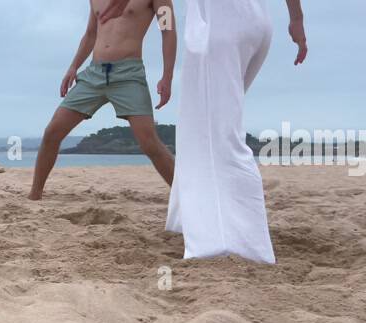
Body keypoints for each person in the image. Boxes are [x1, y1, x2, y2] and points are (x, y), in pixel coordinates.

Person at [163, 0, 308, 264]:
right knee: (200, 122)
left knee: (216, 132)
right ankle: (186, 219)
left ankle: (239, 243)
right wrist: (296, 18)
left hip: (220, 28)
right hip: (257, 24)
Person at [29, 0, 177, 201]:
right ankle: (35, 195)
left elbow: (167, 30)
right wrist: (73, 66)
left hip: (128, 75)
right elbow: (91, 33)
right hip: (94, 74)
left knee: (149, 143)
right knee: (52, 132)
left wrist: (167, 76)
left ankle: (186, 197)